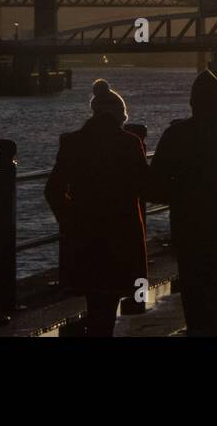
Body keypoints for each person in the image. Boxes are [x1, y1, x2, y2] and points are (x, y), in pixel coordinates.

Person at [147, 69, 217, 336]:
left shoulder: (176, 135)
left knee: (192, 282)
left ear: (192, 102)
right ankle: (213, 326)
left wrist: (177, 198)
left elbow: (154, 183)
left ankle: (198, 328)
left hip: (187, 225)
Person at [44, 79, 149, 337]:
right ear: (119, 115)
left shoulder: (73, 142)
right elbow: (146, 187)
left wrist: (70, 219)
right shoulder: (129, 143)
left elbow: (52, 190)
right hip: (121, 235)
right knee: (108, 302)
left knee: (94, 297)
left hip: (85, 234)